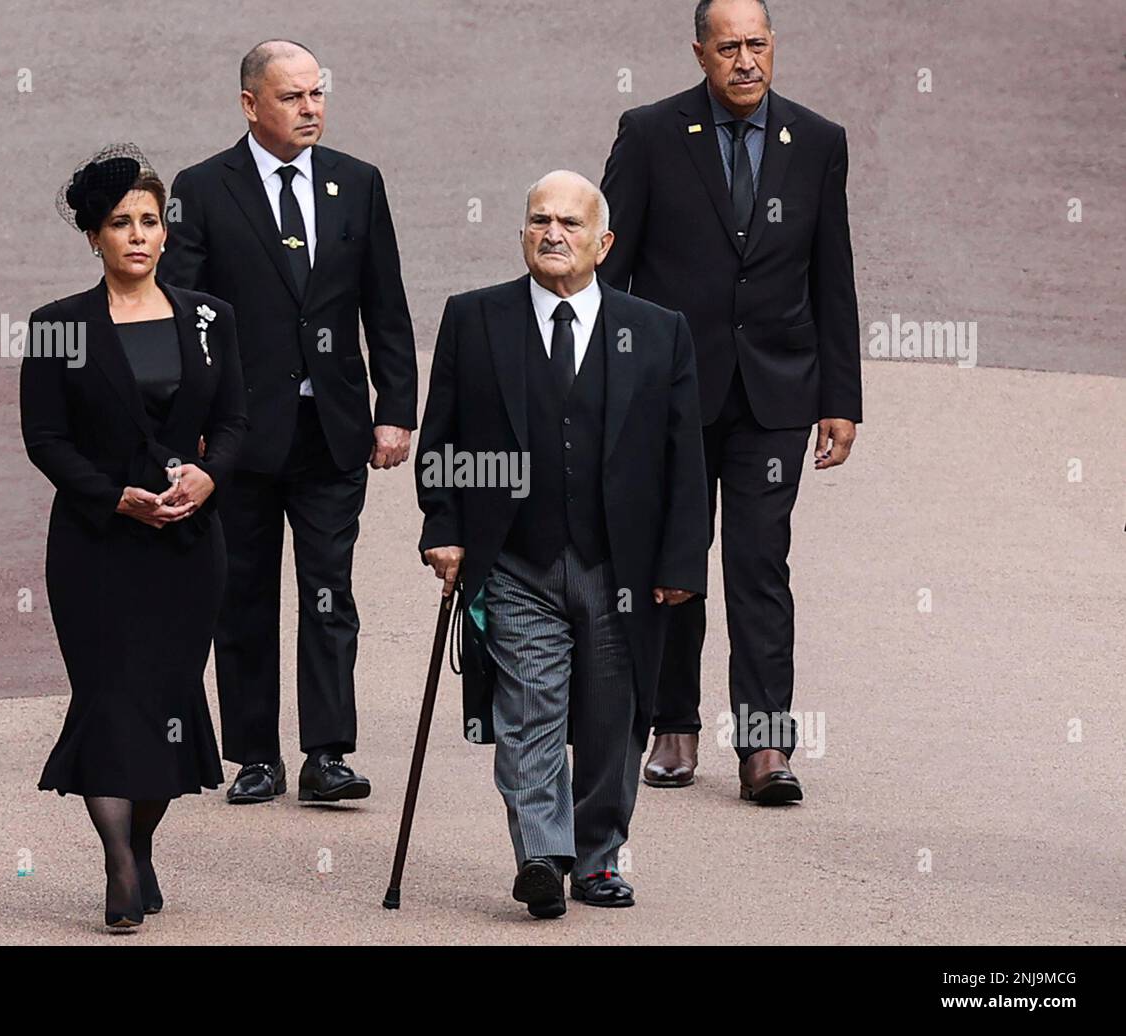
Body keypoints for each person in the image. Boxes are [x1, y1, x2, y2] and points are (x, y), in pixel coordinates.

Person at [416, 171, 708, 918]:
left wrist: (682, 562)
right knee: (528, 709)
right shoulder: (474, 318)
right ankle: (543, 856)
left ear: (603, 243)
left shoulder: (658, 330)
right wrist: (443, 528)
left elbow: (685, 459)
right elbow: (441, 438)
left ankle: (599, 856)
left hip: (622, 567)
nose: (553, 233)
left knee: (614, 717)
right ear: (521, 233)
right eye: (539, 220)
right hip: (517, 560)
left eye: (570, 223)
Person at [599, 0, 862, 803]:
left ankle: (765, 745)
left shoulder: (817, 141)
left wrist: (841, 397)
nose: (745, 61)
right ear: (699, 53)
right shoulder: (650, 133)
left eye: (757, 45)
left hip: (776, 392)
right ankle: (673, 725)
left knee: (760, 564)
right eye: (728, 48)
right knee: (674, 560)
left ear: (773, 46)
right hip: (670, 393)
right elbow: (611, 272)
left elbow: (833, 273)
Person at [161, 40, 417, 806]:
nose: (310, 108)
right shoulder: (203, 188)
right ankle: (255, 756)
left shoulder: (357, 182)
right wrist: (189, 428)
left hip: (332, 430)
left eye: (317, 93)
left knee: (330, 591)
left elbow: (386, 303)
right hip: (238, 437)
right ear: (251, 105)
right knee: (242, 593)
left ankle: (327, 754)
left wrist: (395, 411)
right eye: (292, 97)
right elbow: (181, 316)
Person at [21, 144, 247, 929]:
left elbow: (236, 422)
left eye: (150, 221)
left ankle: (140, 843)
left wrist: (209, 478)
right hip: (96, 549)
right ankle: (119, 865)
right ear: (95, 237)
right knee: (111, 699)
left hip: (187, 548)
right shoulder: (58, 326)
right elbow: (45, 439)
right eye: (121, 223)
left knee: (168, 700)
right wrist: (115, 497)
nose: (139, 236)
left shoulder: (210, 318)